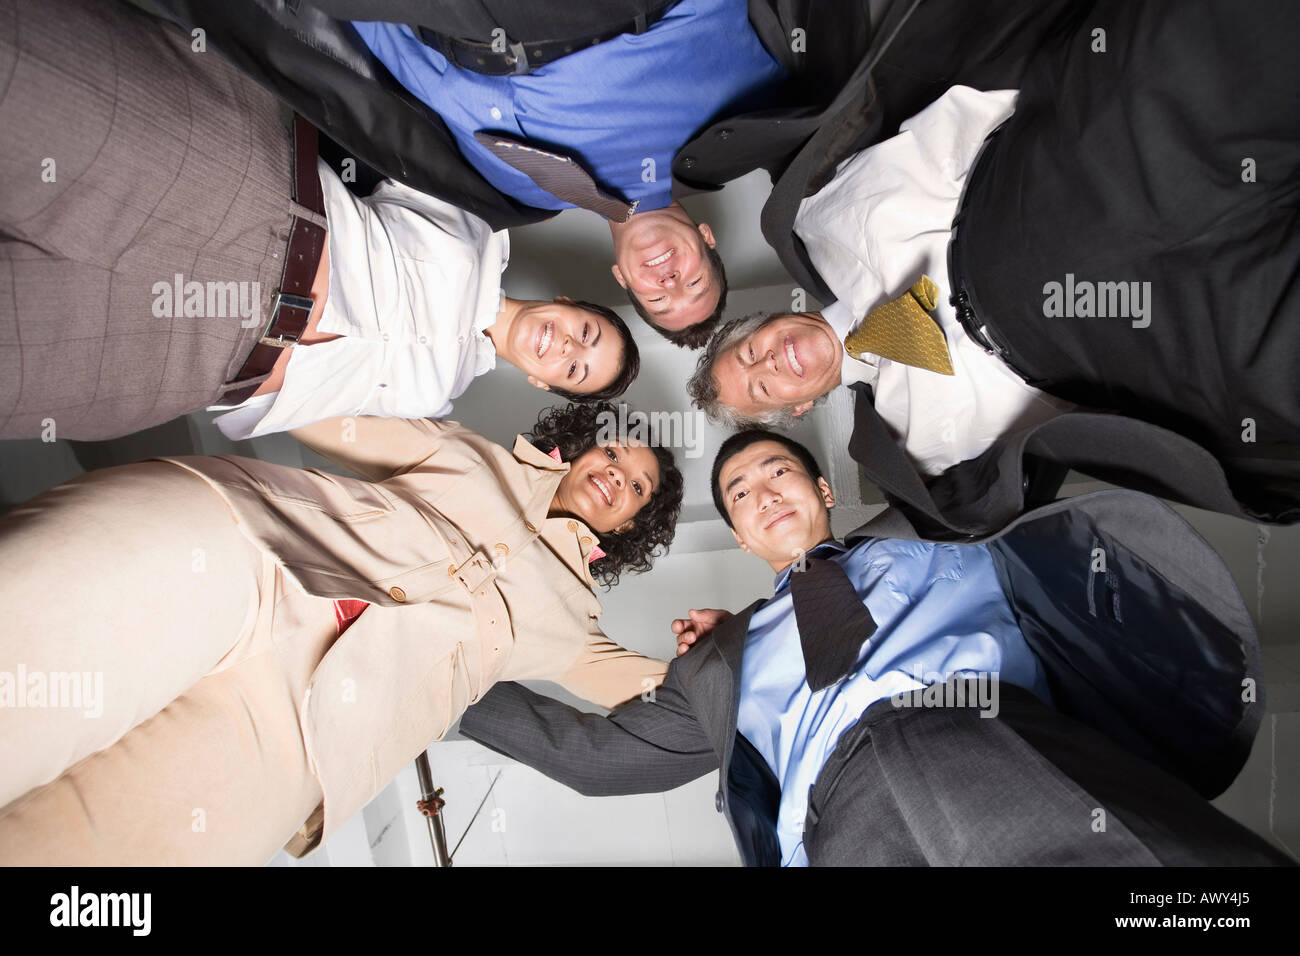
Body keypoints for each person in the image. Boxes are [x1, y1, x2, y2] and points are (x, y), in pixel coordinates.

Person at [459, 430, 1293, 866]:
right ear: (743, 537)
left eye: (778, 472)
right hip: (837, 823)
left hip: (997, 736)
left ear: (823, 490)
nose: (762, 494)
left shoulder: (947, 528)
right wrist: (436, 674)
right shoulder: (719, 665)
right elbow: (592, 758)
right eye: (740, 494)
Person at [0, 402, 684, 864]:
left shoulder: (574, 625)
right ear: (585, 448)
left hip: (310, 745)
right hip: (253, 554)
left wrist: (731, 647)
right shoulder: (470, 454)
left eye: (637, 489)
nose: (617, 475)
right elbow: (333, 417)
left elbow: (676, 692)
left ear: (628, 527)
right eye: (617, 454)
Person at [712, 0, 1300, 531]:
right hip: (1116, 342)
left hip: (1051, 180)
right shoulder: (914, 456)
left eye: (748, 351)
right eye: (762, 386)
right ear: (797, 407)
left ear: (762, 322)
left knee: (1225, 44)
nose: (770, 362)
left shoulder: (814, 223)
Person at [0, 0, 637, 443]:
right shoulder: (481, 228)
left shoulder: (438, 402)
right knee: (30, 85)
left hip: (191, 360)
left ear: (542, 383)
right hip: (237, 206)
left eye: (575, 369)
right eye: (587, 332)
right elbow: (379, 120)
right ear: (568, 302)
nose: (567, 347)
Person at [144, 0, 883, 346]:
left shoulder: (511, 195)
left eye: (660, 299)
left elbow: (382, 86)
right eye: (693, 282)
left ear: (624, 283)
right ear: (707, 240)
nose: (669, 281)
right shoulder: (753, 120)